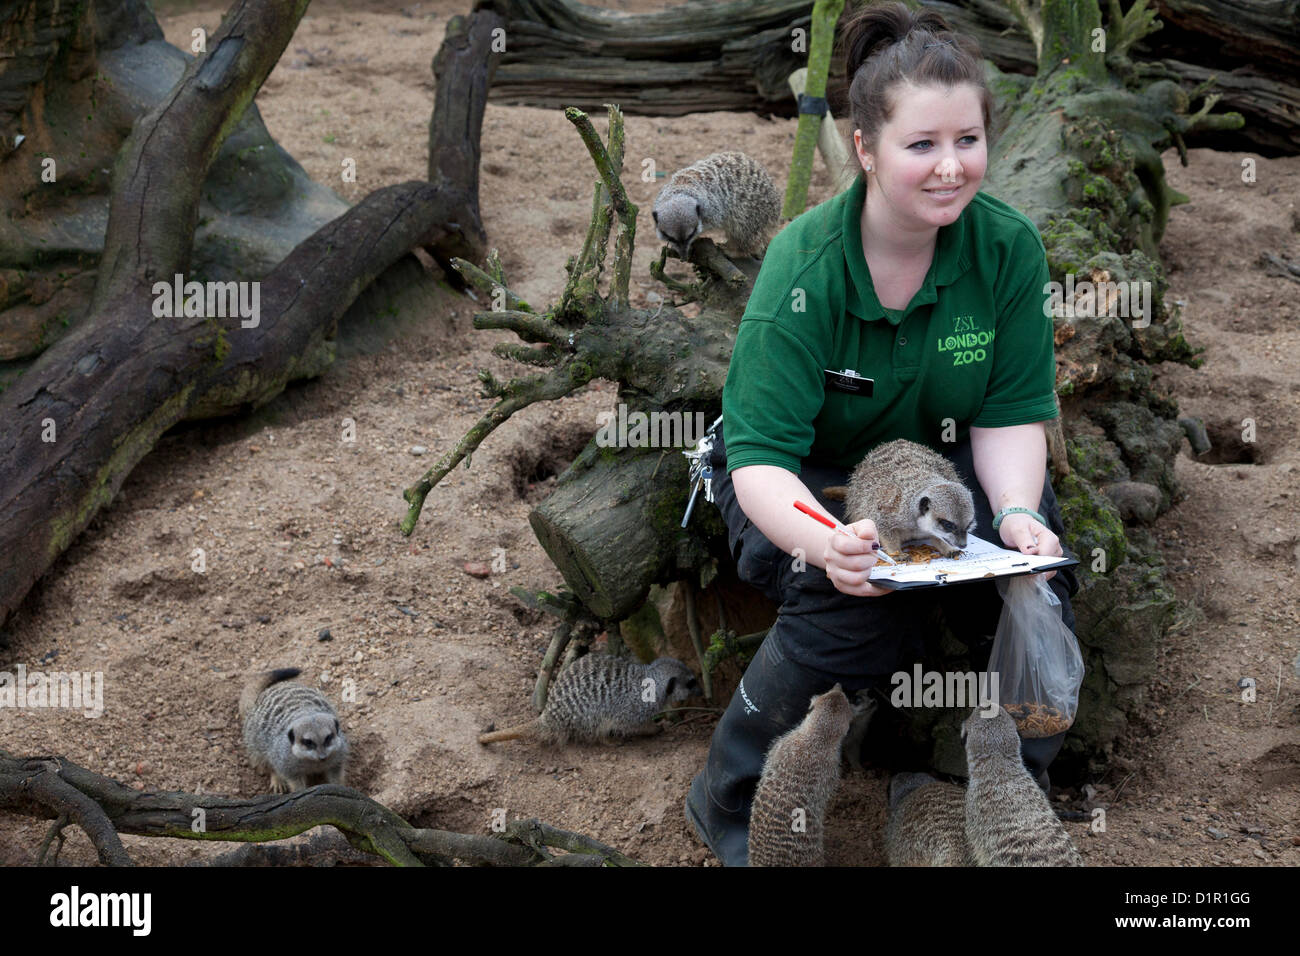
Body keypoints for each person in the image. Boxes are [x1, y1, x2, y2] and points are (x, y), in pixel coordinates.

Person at [684, 0, 1082, 867]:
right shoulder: (805, 265)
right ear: (865, 149)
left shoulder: (1006, 248)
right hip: (806, 475)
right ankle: (733, 799)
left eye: (967, 141)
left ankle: (996, 792)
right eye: (921, 146)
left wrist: (1015, 512)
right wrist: (831, 545)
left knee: (1030, 585)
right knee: (849, 609)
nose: (950, 168)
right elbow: (759, 459)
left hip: (943, 468)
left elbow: (1009, 414)